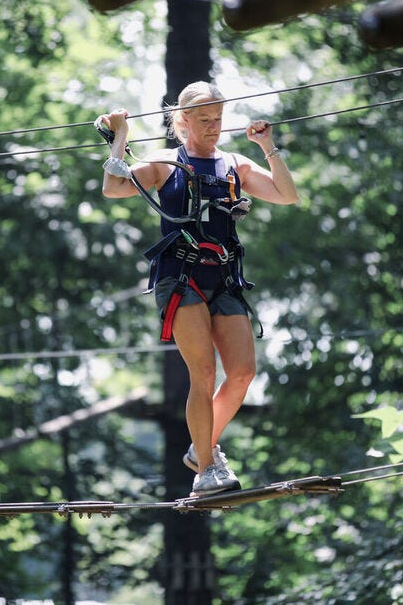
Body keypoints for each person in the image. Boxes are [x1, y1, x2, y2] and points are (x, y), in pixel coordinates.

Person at [97, 81, 300, 497]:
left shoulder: (235, 164)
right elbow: (113, 187)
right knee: (203, 373)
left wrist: (267, 146)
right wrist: (121, 138)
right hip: (180, 276)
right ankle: (206, 470)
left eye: (219, 119)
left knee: (243, 373)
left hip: (223, 277)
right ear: (183, 121)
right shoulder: (165, 163)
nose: (214, 126)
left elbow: (287, 194)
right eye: (205, 119)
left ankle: (200, 447)